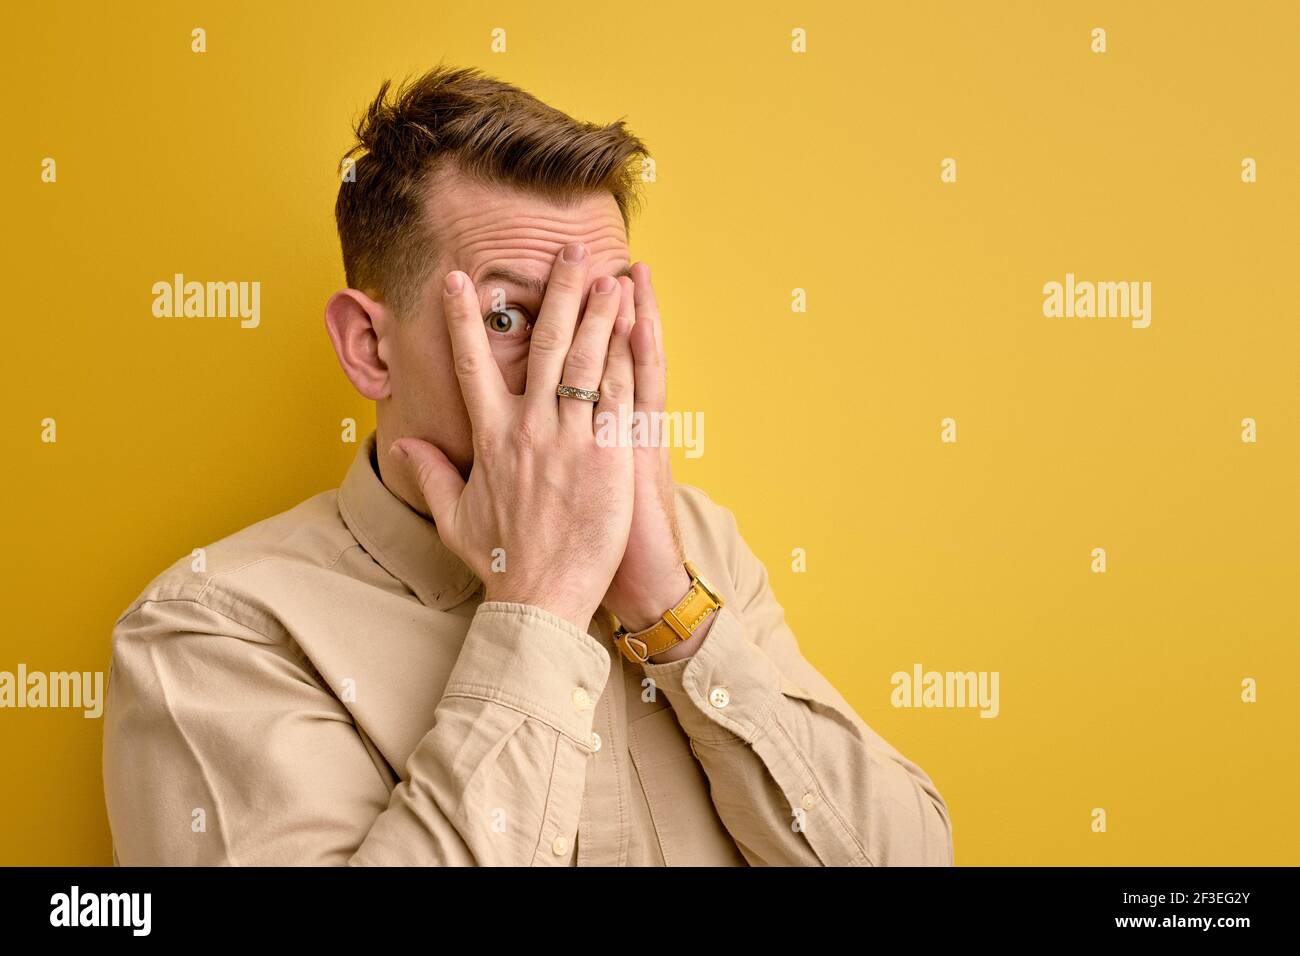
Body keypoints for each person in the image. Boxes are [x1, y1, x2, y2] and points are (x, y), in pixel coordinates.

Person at [102, 65, 954, 866]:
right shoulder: (214, 631)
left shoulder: (699, 545)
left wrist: (668, 608)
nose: (577, 364)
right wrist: (539, 602)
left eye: (602, 309)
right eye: (511, 319)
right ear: (370, 348)